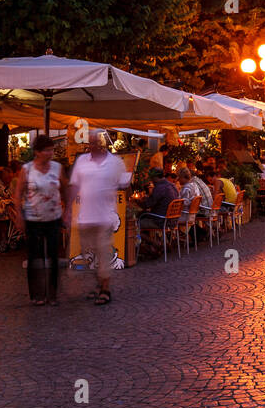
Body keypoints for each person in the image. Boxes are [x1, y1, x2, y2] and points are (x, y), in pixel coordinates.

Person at [69, 131, 130, 306]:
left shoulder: (114, 162)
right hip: (85, 218)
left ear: (103, 143)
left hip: (104, 217)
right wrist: (68, 209)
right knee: (90, 254)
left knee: (103, 254)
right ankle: (99, 284)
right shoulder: (82, 161)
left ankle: (105, 289)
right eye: (91, 142)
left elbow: (126, 184)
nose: (94, 145)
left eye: (97, 142)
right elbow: (74, 185)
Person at [14, 136, 68, 306]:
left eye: (52, 149)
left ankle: (52, 294)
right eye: (47, 150)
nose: (50, 153)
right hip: (33, 218)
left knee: (53, 256)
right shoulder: (27, 169)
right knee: (35, 257)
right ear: (37, 152)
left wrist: (67, 210)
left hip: (53, 218)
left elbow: (65, 189)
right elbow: (18, 194)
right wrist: (19, 215)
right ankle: (36, 294)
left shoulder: (58, 168)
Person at [138, 168, 179, 233]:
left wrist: (137, 200)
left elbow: (146, 205)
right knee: (144, 215)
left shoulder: (159, 188)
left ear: (155, 177)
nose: (151, 180)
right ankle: (157, 241)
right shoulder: (173, 186)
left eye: (152, 178)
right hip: (173, 221)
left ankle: (150, 242)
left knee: (135, 222)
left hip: (161, 221)